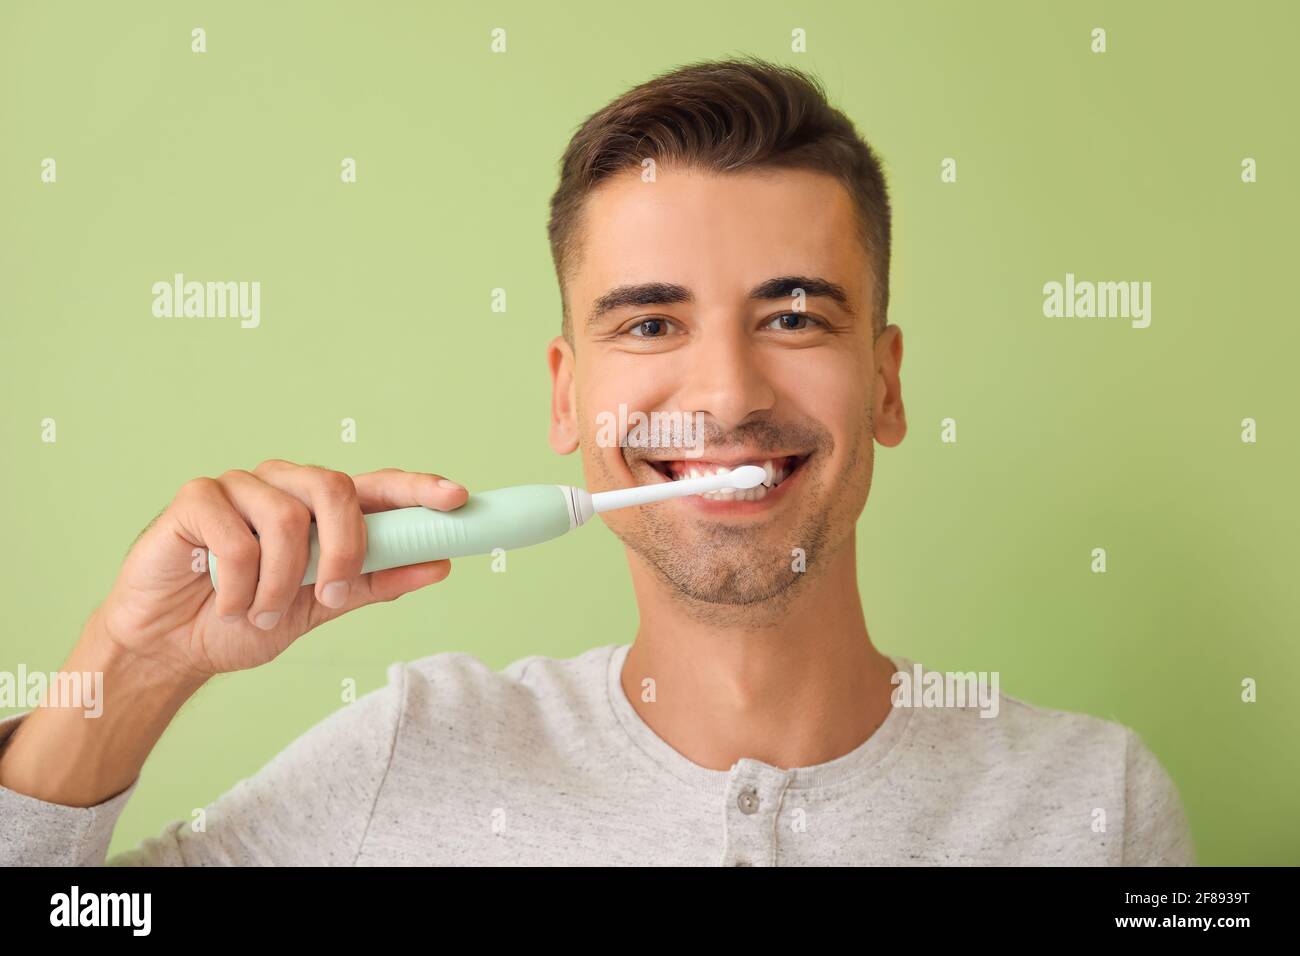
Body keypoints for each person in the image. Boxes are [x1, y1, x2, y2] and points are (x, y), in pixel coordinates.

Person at [0, 57, 1194, 866]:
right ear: (569, 397)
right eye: (649, 322)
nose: (725, 393)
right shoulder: (412, 752)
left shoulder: (1091, 803)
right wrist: (132, 667)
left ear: (883, 382)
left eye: (792, 315)